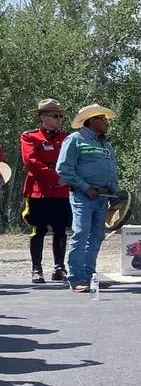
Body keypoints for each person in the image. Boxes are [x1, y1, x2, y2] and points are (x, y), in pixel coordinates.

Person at [56, 104, 120, 293]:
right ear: (92, 120)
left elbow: (111, 170)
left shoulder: (105, 144)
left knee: (97, 235)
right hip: (82, 196)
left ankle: (89, 275)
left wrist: (115, 193)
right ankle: (76, 278)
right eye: (103, 119)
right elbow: (63, 169)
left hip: (103, 196)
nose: (106, 123)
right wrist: (85, 187)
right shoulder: (75, 140)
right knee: (81, 233)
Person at [20, 99, 72, 284]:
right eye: (55, 115)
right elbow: (31, 162)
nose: (59, 119)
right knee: (38, 229)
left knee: (61, 229)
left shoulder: (66, 138)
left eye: (60, 116)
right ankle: (37, 269)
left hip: (61, 191)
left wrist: (65, 178)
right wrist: (56, 177)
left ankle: (59, 268)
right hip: (38, 191)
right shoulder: (30, 137)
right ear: (42, 117)